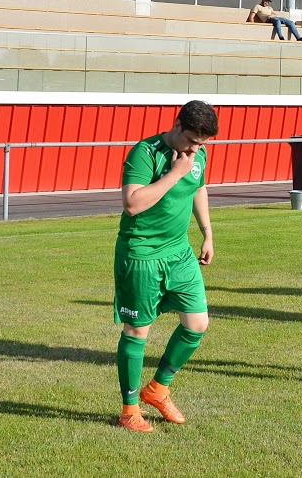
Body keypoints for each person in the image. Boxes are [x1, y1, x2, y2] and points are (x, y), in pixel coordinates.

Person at [111, 100, 219, 432]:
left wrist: (207, 233)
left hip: (179, 254)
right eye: (191, 140)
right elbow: (132, 204)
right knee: (137, 331)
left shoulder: (197, 155)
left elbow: (198, 188)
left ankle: (158, 388)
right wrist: (175, 173)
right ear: (176, 125)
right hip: (141, 254)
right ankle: (130, 410)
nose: (196, 149)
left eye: (202, 144)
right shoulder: (145, 153)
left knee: (197, 323)